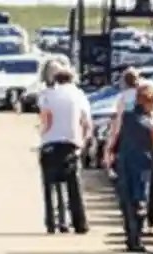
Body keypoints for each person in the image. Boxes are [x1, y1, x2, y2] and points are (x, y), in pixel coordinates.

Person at [104, 80, 153, 252]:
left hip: (125, 162)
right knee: (140, 200)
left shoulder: (125, 117)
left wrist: (108, 155)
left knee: (127, 201)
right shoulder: (150, 121)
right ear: (148, 101)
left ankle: (131, 236)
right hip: (143, 164)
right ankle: (136, 237)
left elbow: (113, 136)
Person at [37, 64, 91, 235]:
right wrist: (83, 141)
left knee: (50, 186)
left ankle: (52, 222)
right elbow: (86, 122)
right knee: (74, 186)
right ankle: (79, 222)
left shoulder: (47, 95)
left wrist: (42, 133)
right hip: (72, 143)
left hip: (51, 143)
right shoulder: (79, 95)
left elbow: (46, 120)